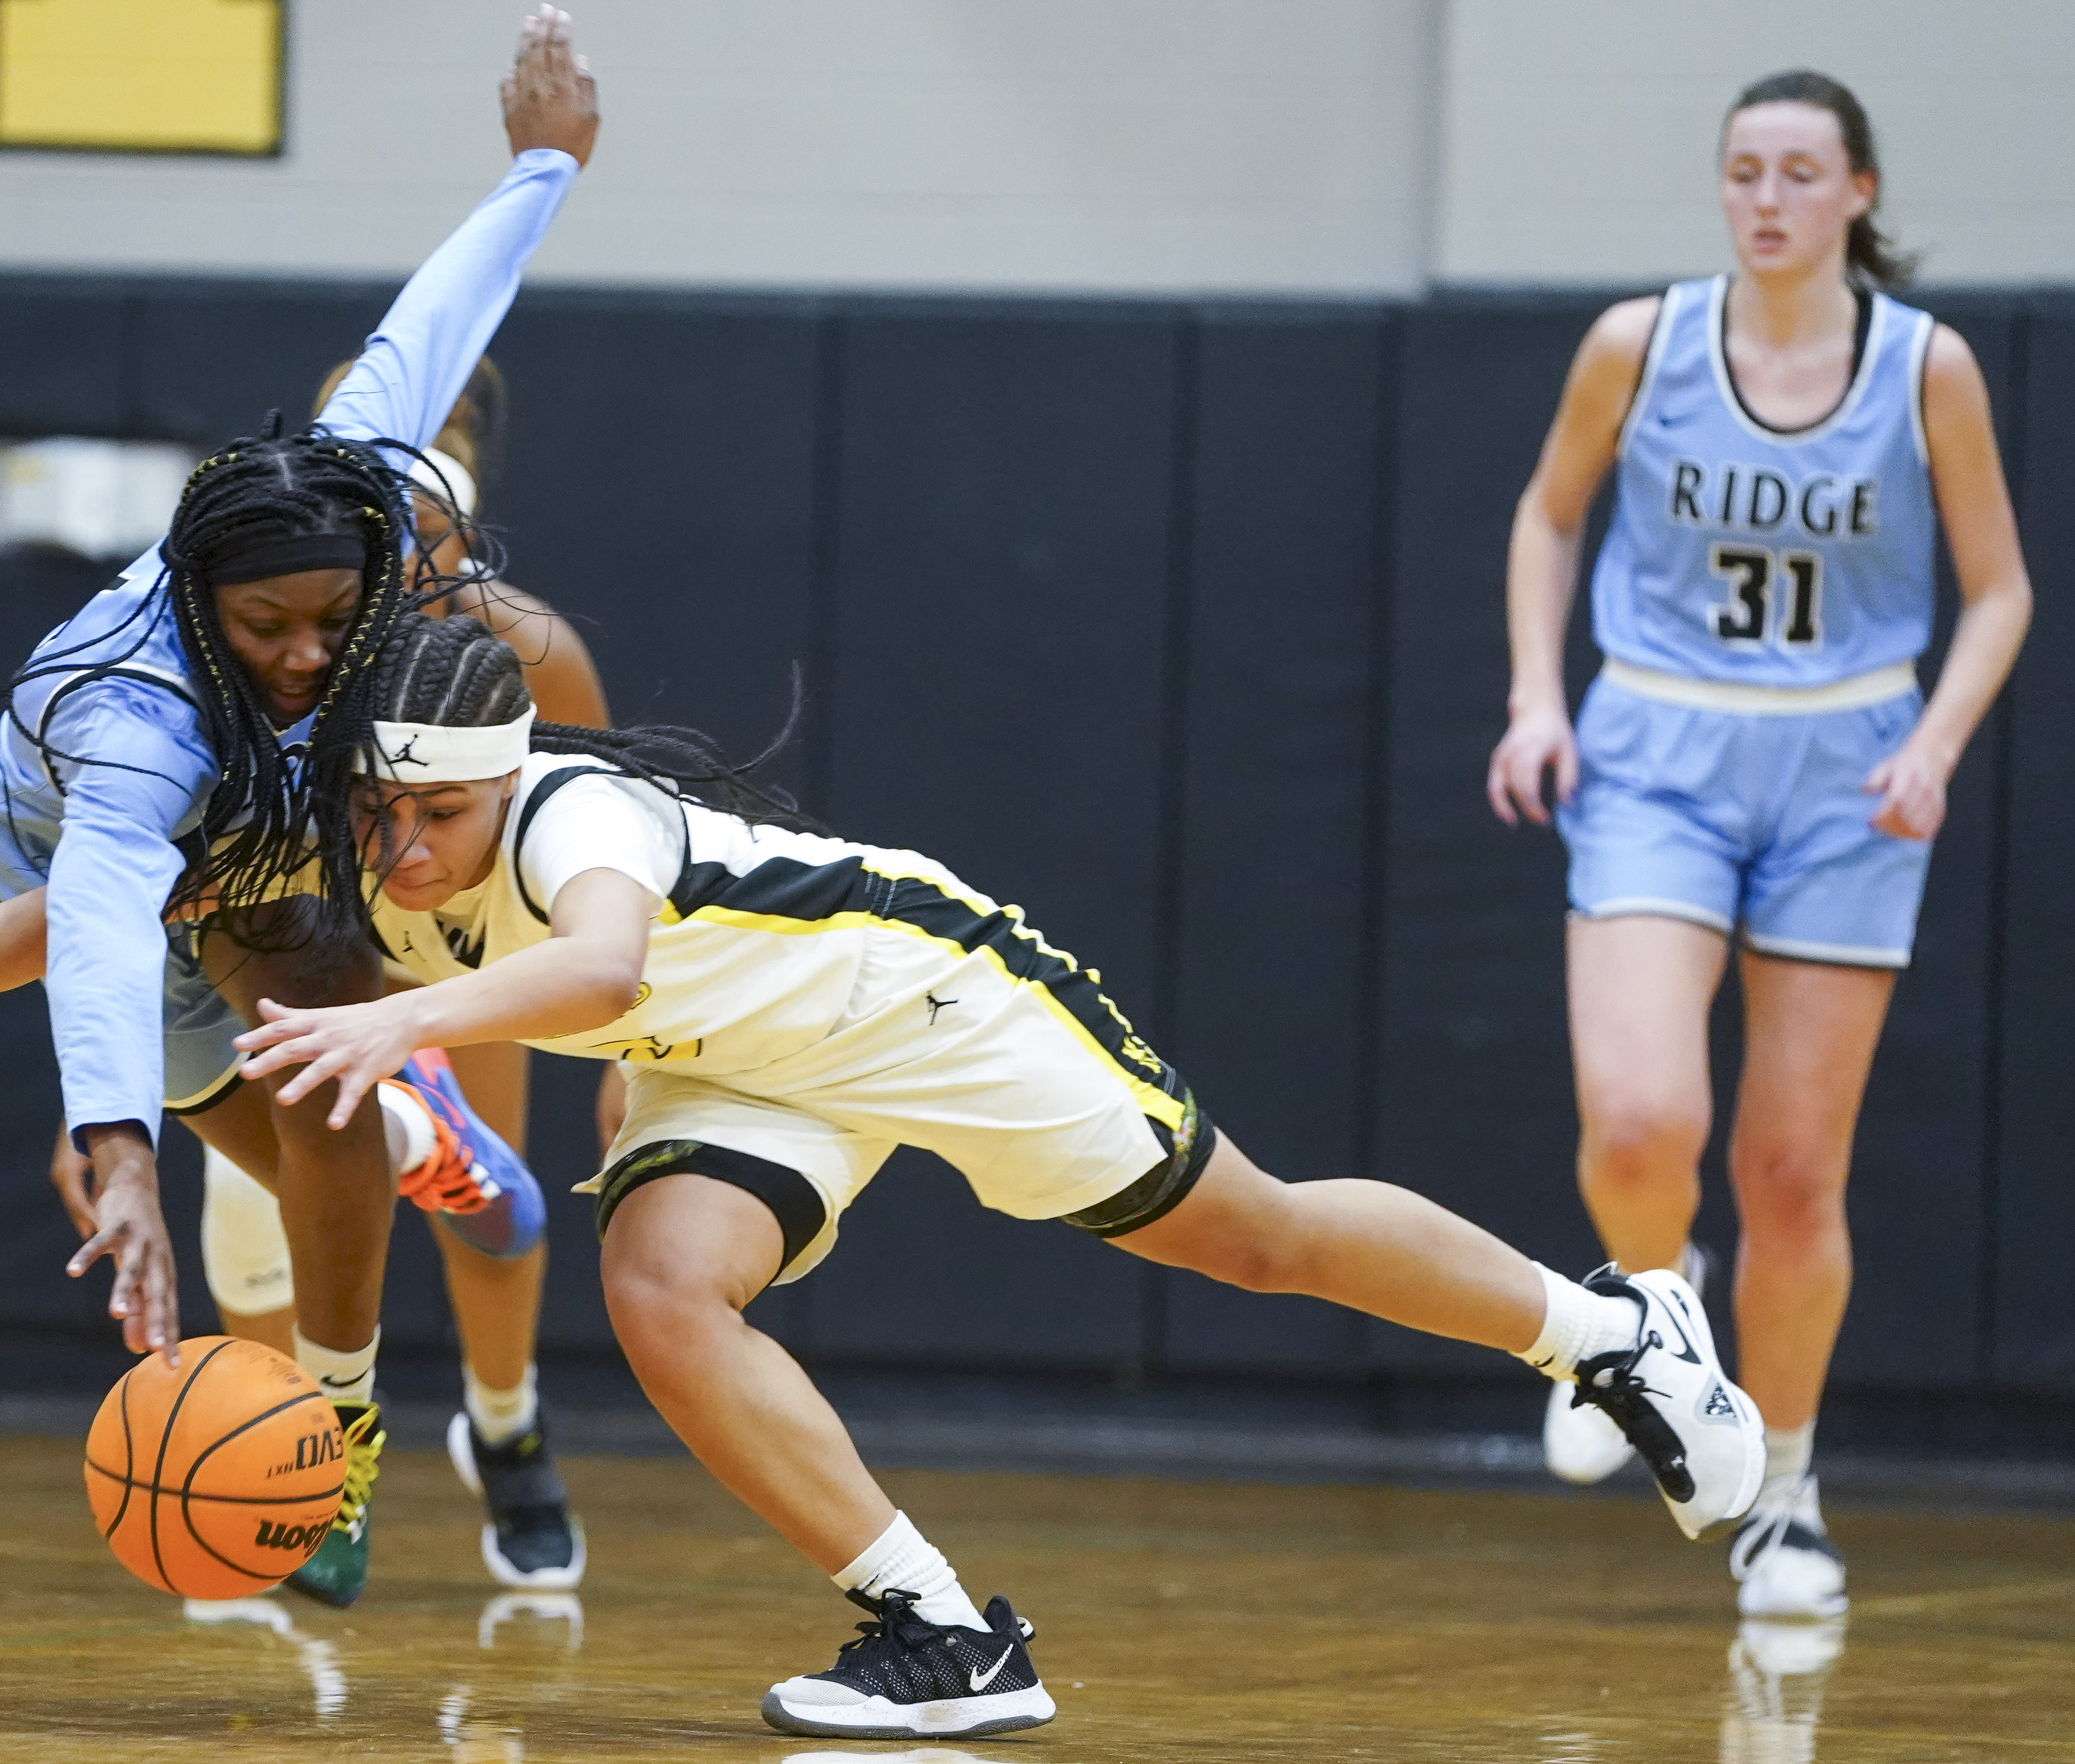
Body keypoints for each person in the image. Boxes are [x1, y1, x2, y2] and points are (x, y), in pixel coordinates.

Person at [230, 610, 1768, 1741]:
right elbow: (108, 899)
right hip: (742, 1059)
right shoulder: (352, 837)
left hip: (925, 996)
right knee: (658, 1287)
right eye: (380, 813)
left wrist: (408, 1020)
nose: (407, 850)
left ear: (504, 784)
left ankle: (1615, 1336)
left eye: (442, 817)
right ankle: (939, 1630)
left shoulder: (577, 815)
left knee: (1256, 1238)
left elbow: (604, 960)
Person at [0, 8, 600, 1607]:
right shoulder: (141, 729)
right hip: (82, 864)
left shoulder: (357, 487)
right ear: (203, 601)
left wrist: (541, 161)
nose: (312, 652)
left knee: (320, 1103)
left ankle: (342, 1422)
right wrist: (110, 1145)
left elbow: (430, 326)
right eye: (274, 632)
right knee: (305, 1136)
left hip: (261, 863)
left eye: (340, 617)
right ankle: (407, 1121)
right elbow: (93, 924)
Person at [1486, 69, 2031, 1622]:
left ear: (1858, 191)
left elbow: (2000, 591)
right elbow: (1545, 515)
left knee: (1791, 1172)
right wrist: (1538, 696)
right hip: (1658, 750)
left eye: (1800, 171)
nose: (1768, 197)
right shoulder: (1636, 344)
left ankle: (1783, 1491)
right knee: (1643, 1120)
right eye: (1744, 171)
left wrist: (1932, 743)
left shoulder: (1925, 367)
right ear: (1721, 189)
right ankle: (1642, 1324)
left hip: (1849, 770)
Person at [166, 353, 617, 1591]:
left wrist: (634, 1044)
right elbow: (109, 887)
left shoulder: (523, 646)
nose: (405, 568)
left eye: (430, 542)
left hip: (468, 948)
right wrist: (91, 1093)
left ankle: (507, 1421)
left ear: (462, 538)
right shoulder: (255, 641)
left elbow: (613, 844)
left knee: (493, 1212)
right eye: (384, 539)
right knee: (259, 1217)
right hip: (306, 949)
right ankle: (295, 1459)